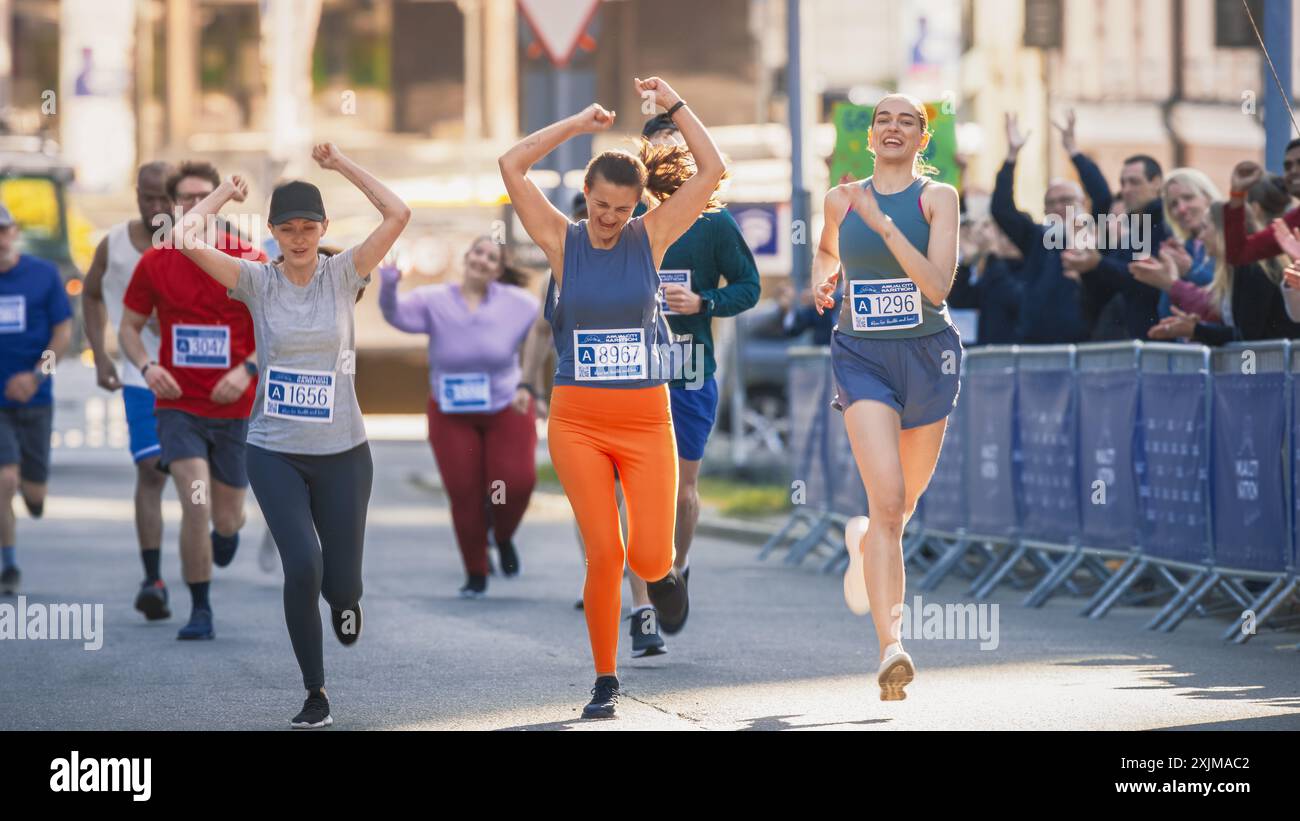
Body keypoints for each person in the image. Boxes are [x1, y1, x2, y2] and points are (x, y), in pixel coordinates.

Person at [499, 76, 725, 718]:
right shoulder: (561, 241)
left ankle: (669, 575)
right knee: (606, 552)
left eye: (621, 210)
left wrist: (676, 103)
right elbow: (512, 164)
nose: (608, 219)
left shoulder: (648, 239)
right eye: (600, 206)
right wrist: (576, 125)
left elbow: (712, 169)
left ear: (636, 207)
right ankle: (604, 678)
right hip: (578, 421)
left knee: (650, 555)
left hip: (647, 418)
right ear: (586, 197)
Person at [173, 144, 409, 729]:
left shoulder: (343, 273)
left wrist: (343, 165)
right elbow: (182, 237)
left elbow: (399, 214)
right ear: (273, 231)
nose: (299, 238)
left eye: (309, 227)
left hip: (343, 454)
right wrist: (225, 194)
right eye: (288, 228)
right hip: (274, 449)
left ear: (324, 228)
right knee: (302, 565)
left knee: (342, 585)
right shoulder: (256, 281)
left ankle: (346, 602)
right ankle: (315, 691)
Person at [810, 93, 961, 701]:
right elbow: (826, 250)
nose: (894, 128)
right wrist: (826, 277)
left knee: (900, 510)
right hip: (862, 355)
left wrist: (884, 225)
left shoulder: (938, 199)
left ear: (922, 140)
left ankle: (862, 542)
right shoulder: (839, 200)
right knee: (891, 504)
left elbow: (936, 285)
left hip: (929, 356)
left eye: (908, 122)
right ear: (868, 136)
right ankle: (890, 648)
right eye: (883, 120)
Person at [606, 114, 760, 655]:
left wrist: (704, 303)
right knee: (630, 491)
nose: (672, 158)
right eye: (661, 148)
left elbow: (749, 286)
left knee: (681, 492)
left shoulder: (714, 225)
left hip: (691, 369)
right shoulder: (623, 220)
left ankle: (677, 566)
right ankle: (641, 608)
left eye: (681, 147)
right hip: (634, 371)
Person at [120, 161, 263, 640]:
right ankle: (200, 609)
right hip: (178, 406)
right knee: (195, 503)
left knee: (227, 517)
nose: (197, 205)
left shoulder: (247, 260)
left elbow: (278, 327)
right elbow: (128, 328)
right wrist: (147, 366)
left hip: (234, 410)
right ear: (175, 205)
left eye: (208, 195)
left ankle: (228, 534)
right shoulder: (156, 262)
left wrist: (246, 369)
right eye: (187, 198)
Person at [378, 237, 541, 598]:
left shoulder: (520, 304)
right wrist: (389, 284)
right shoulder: (434, 300)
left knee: (508, 484)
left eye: (492, 258)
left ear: (499, 270)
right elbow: (396, 316)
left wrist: (531, 387)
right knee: (465, 493)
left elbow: (544, 335)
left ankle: (500, 533)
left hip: (504, 407)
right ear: (466, 258)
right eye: (478, 253)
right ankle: (476, 571)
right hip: (452, 414)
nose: (482, 260)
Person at [82, 161, 178, 619]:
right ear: (135, 193)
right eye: (148, 197)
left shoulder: (194, 242)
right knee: (152, 473)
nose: (156, 207)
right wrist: (101, 355)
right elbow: (91, 292)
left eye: (165, 198)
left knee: (210, 487)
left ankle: (224, 530)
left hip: (194, 378)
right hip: (141, 375)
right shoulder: (114, 244)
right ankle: (153, 578)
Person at [0, 205, 74, 595]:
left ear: (13, 231)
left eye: (2, 231)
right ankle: (9, 564)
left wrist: (36, 374)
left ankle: (35, 498)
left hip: (36, 398)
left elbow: (62, 331)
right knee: (4, 479)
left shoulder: (42, 274)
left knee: (32, 492)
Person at [992, 111, 1100, 343]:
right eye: (1051, 203)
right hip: (1036, 344)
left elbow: (1102, 195)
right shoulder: (1036, 238)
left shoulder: (1101, 237)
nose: (1058, 207)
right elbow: (1002, 209)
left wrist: (1073, 152)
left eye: (1066, 200)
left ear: (1083, 204)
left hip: (1085, 345)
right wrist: (1012, 156)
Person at [1147, 202, 1300, 345]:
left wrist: (1197, 330)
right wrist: (1197, 327)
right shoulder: (1237, 269)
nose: (1200, 237)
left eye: (1205, 228)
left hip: (1275, 368)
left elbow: (1247, 337)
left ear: (1224, 231)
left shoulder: (1255, 267)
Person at [1225, 139, 1300, 265]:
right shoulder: (1292, 222)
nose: (1293, 171)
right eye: (1287, 166)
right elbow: (1238, 254)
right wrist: (1237, 192)